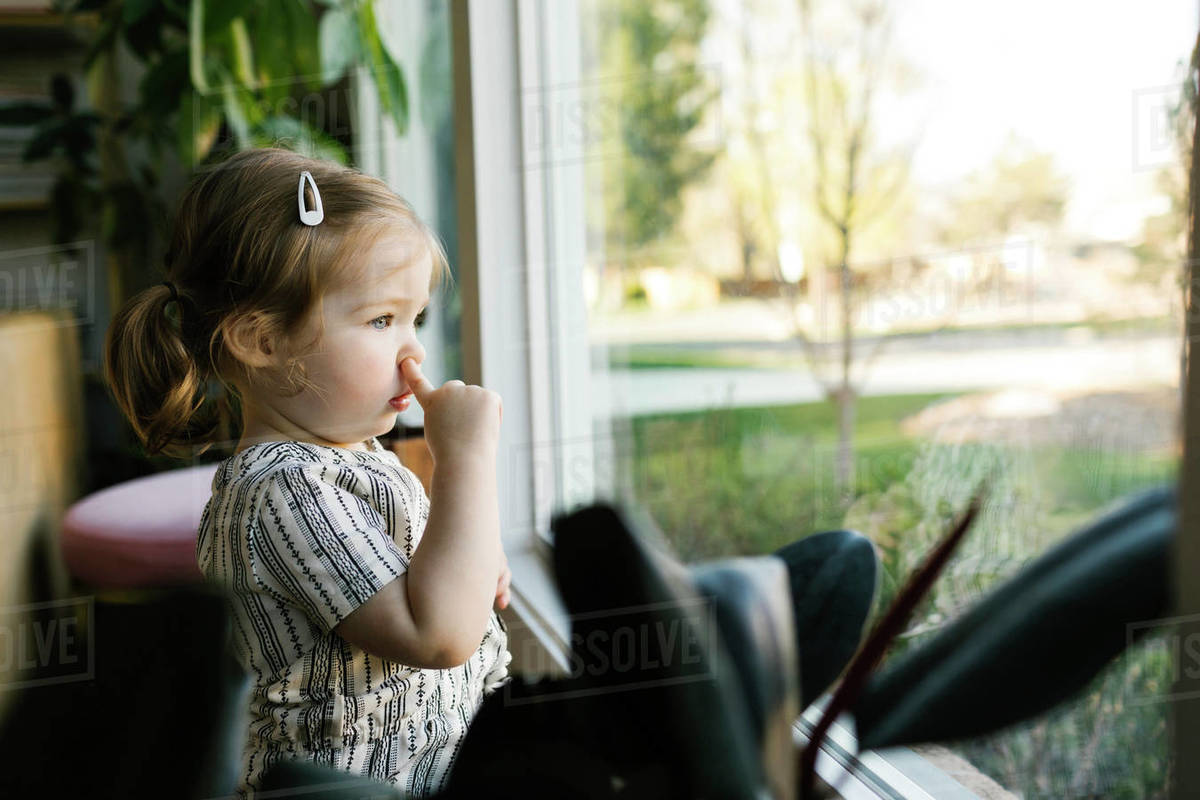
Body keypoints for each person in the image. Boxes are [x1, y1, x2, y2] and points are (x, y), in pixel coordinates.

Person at [103, 147, 513, 799]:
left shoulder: (346, 459)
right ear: (263, 342)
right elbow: (436, 636)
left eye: (416, 319)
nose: (415, 350)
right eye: (382, 320)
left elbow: (436, 594)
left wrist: (466, 550)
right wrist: (465, 461)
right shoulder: (279, 491)